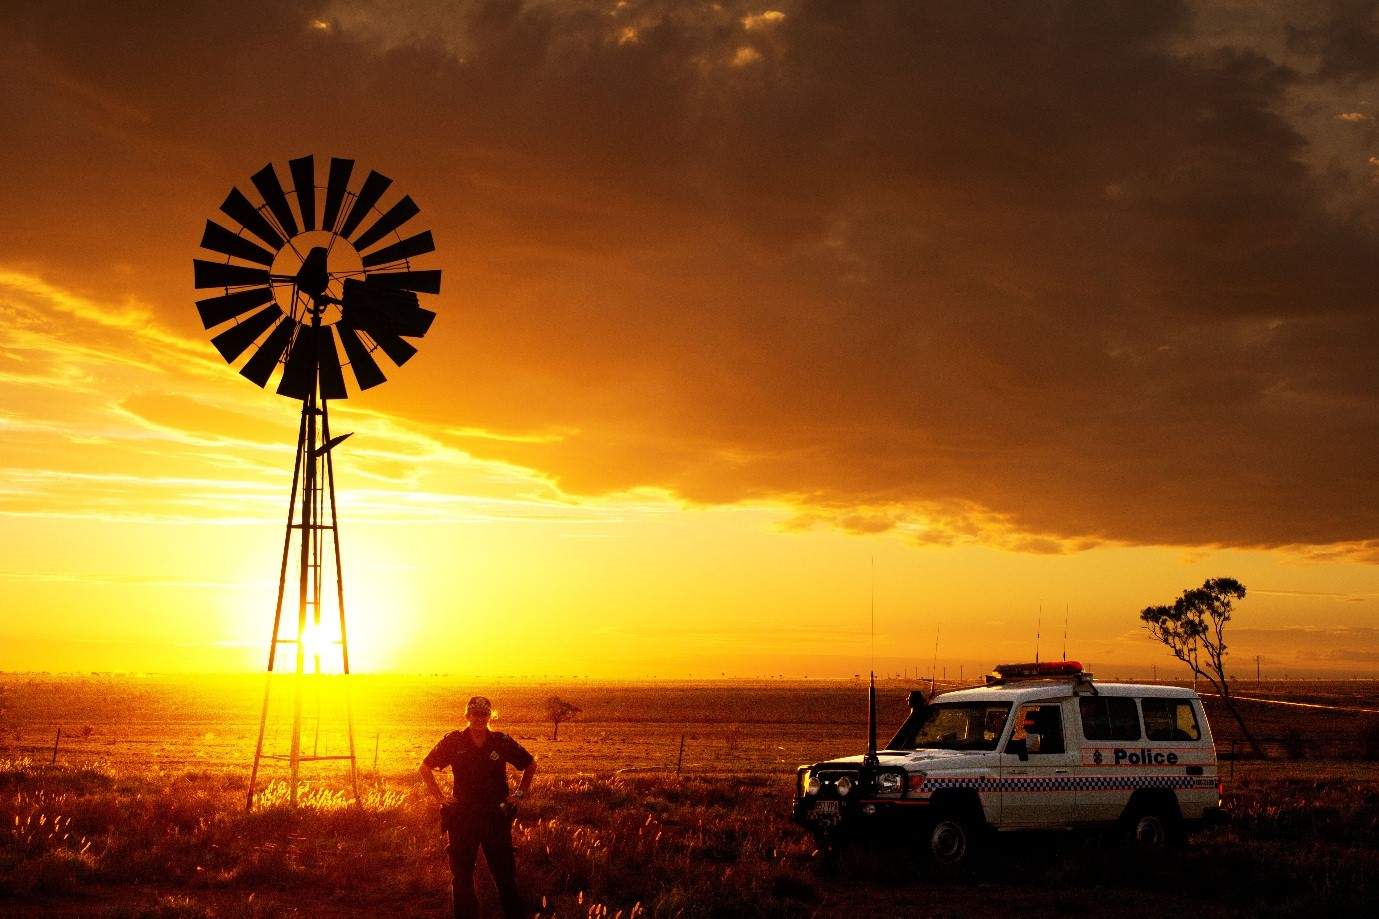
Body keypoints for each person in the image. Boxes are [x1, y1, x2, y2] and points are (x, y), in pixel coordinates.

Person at [420, 695, 537, 919]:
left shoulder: (501, 741)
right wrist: (440, 797)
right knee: (462, 877)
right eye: (475, 714)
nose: (479, 719)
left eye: (484, 714)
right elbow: (424, 768)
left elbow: (530, 765)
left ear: (490, 716)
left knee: (505, 876)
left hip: (495, 816)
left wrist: (519, 794)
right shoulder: (453, 741)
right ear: (467, 715)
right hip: (463, 816)